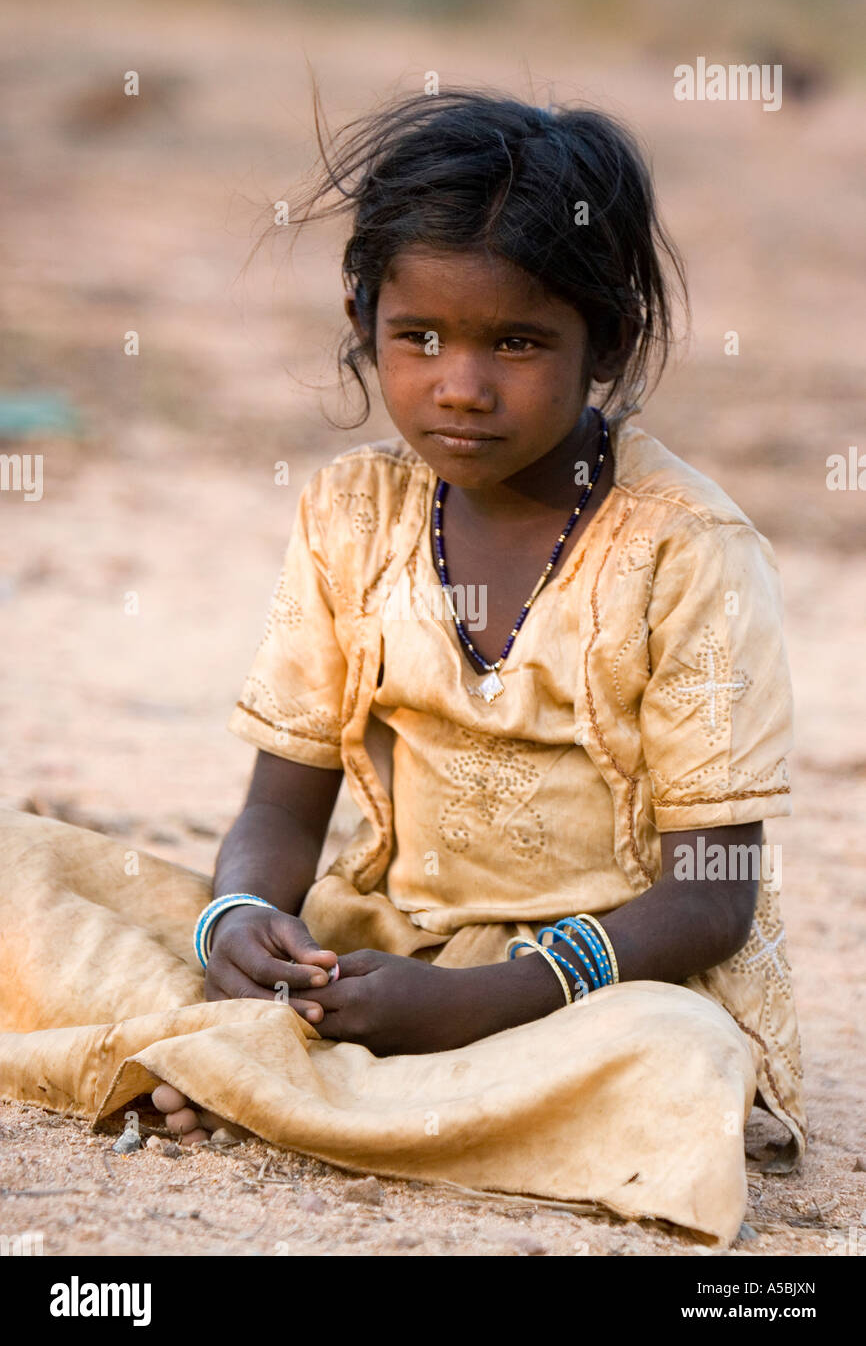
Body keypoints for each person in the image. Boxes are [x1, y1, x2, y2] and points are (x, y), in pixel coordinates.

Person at [0, 88, 806, 1246]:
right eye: (416, 337)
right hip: (379, 952)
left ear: (607, 342)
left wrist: (486, 999)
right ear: (362, 317)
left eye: (516, 343)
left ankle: (252, 1082)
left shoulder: (686, 551)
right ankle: (310, 1078)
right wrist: (240, 918)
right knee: (19, 866)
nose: (459, 385)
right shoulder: (349, 516)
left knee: (673, 1065)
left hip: (591, 988)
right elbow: (280, 806)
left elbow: (711, 896)